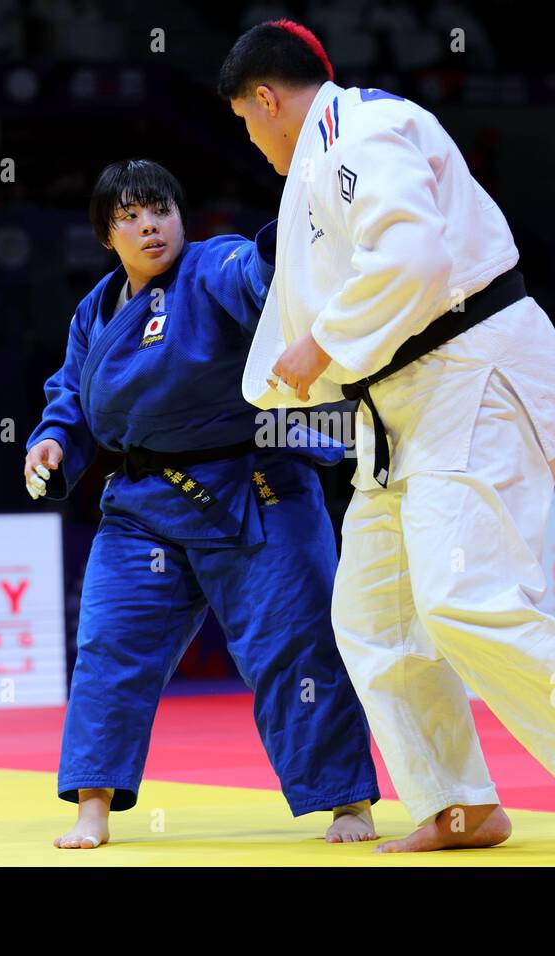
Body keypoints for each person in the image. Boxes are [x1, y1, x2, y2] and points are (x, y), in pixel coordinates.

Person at [219, 21, 555, 853]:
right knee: (370, 618)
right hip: (397, 412)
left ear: (266, 97)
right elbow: (318, 308)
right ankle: (458, 803)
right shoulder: (317, 165)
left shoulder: (365, 129)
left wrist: (319, 347)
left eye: (247, 124)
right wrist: (299, 375)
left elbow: (415, 258)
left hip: (473, 371)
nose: (252, 142)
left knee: (463, 593)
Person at [24, 159, 380, 849]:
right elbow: (69, 394)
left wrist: (292, 237)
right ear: (107, 236)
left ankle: (345, 801)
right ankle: (91, 806)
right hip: (142, 503)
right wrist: (51, 443)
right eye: (129, 216)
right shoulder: (96, 311)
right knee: (109, 648)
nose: (149, 225)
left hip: (253, 489)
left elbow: (256, 274)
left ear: (181, 217)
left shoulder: (211, 268)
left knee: (296, 646)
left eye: (159, 209)